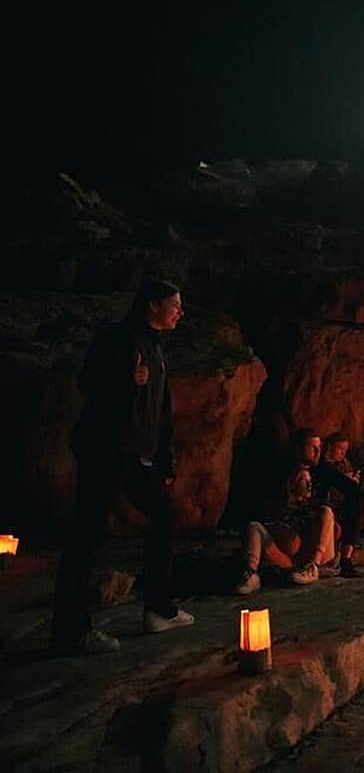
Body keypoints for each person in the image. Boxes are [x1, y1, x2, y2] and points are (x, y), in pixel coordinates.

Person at [52, 278, 193, 655]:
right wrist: (125, 380)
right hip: (106, 451)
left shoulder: (157, 348)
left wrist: (165, 459)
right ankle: (71, 631)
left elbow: (160, 411)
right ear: (151, 305)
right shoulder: (117, 337)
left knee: (165, 515)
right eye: (174, 304)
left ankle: (159, 609)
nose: (180, 311)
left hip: (137, 457)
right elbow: (90, 383)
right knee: (88, 535)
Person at [233, 465, 338, 594]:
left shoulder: (315, 506)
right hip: (289, 561)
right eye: (304, 481)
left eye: (310, 481)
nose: (309, 484)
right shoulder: (280, 507)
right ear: (293, 484)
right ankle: (251, 574)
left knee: (326, 512)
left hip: (316, 558)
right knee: (254, 527)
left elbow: (333, 530)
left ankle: (312, 568)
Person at [297, 428, 364, 577]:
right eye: (313, 448)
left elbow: (352, 489)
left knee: (348, 505)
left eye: (318, 448)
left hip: (323, 517)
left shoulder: (326, 467)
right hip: (295, 520)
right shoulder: (289, 468)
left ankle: (344, 560)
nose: (317, 452)